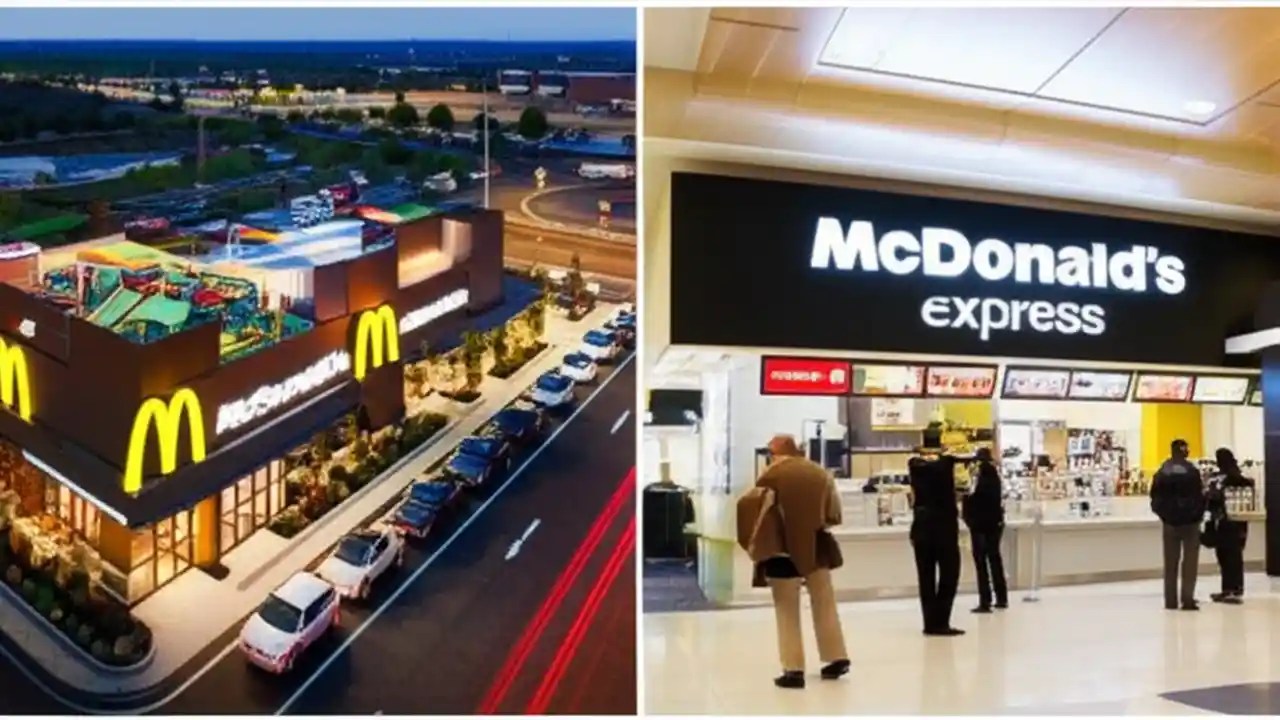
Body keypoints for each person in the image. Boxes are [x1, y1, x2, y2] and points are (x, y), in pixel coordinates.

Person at [736, 434, 849, 690]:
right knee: (824, 602)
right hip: (817, 549)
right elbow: (833, 514)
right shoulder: (820, 473)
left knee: (787, 609)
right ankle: (835, 657)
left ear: (775, 452)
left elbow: (754, 511)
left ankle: (793, 669)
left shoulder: (770, 476)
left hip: (782, 551)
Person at [909, 452, 964, 636]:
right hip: (943, 531)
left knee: (926, 578)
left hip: (921, 529)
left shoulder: (917, 472)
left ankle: (930, 622)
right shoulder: (944, 483)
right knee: (950, 573)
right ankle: (941, 621)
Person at [1149, 439, 1206, 611]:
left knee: (1170, 562)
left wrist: (1164, 515)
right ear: (1185, 451)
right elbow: (1200, 496)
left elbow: (1154, 497)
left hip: (1170, 524)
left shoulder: (1163, 472)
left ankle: (1170, 600)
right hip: (1190, 523)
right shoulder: (1192, 471)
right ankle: (1187, 599)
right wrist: (1197, 514)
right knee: (1190, 562)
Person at [962, 448, 1008, 613]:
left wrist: (965, 506)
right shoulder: (995, 477)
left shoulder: (979, 479)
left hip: (980, 525)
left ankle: (985, 600)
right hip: (995, 524)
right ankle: (1001, 597)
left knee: (981, 563)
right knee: (995, 560)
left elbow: (972, 500)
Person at [1208, 447, 1255, 604]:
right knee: (1230, 557)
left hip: (1228, 523)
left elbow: (1215, 498)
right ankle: (1232, 589)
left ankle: (1231, 590)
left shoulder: (1228, 479)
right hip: (1234, 523)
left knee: (1228, 557)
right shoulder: (1234, 477)